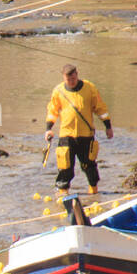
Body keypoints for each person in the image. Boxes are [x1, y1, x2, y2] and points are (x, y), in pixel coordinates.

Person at [45, 63, 112, 194]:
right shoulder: (58, 91)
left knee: (89, 165)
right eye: (68, 80)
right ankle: (63, 194)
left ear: (77, 74)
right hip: (66, 135)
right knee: (65, 166)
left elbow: (101, 109)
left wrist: (108, 126)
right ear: (63, 78)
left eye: (73, 79)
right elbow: (52, 111)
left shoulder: (90, 88)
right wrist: (48, 128)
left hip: (86, 135)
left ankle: (93, 191)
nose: (71, 82)